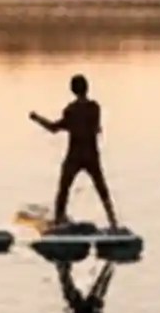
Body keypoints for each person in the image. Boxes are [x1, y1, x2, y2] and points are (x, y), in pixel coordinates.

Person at [29, 74, 120, 229]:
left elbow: (53, 128)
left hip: (75, 156)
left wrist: (37, 118)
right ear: (87, 88)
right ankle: (113, 222)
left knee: (64, 188)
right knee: (101, 188)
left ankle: (58, 220)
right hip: (91, 155)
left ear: (72, 90)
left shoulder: (70, 111)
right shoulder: (95, 108)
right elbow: (96, 128)